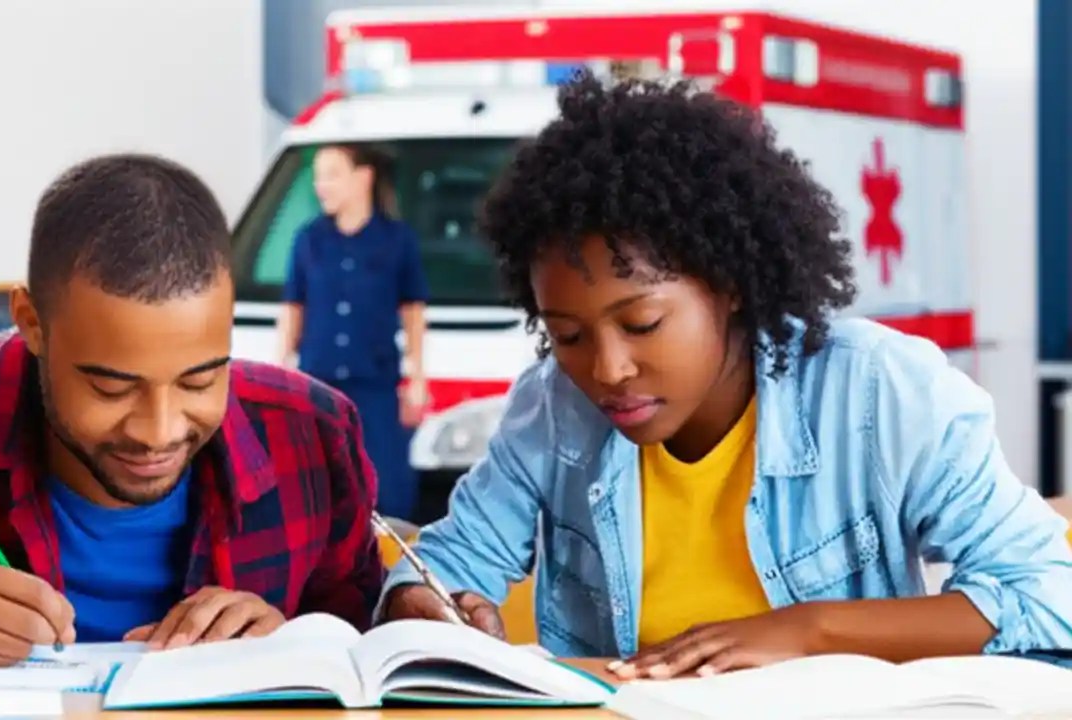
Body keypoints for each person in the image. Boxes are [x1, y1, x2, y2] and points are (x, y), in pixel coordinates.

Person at [382, 74, 1072, 676]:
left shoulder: (880, 391)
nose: (608, 369)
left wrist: (808, 630)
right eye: (566, 335)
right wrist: (421, 605)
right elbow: (447, 565)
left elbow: (1048, 598)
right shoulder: (554, 407)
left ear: (731, 285)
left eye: (643, 323)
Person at [0, 153, 382, 667]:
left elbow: (364, 653)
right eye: (111, 388)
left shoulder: (312, 436)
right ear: (30, 322)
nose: (159, 431)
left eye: (200, 380)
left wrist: (294, 645)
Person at [276, 143, 430, 521]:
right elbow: (294, 307)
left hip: (374, 384)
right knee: (314, 484)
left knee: (385, 486)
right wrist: (282, 367)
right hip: (318, 383)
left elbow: (412, 311)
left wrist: (418, 378)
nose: (321, 186)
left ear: (363, 178)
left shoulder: (397, 240)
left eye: (331, 174)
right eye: (318, 177)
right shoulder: (308, 240)